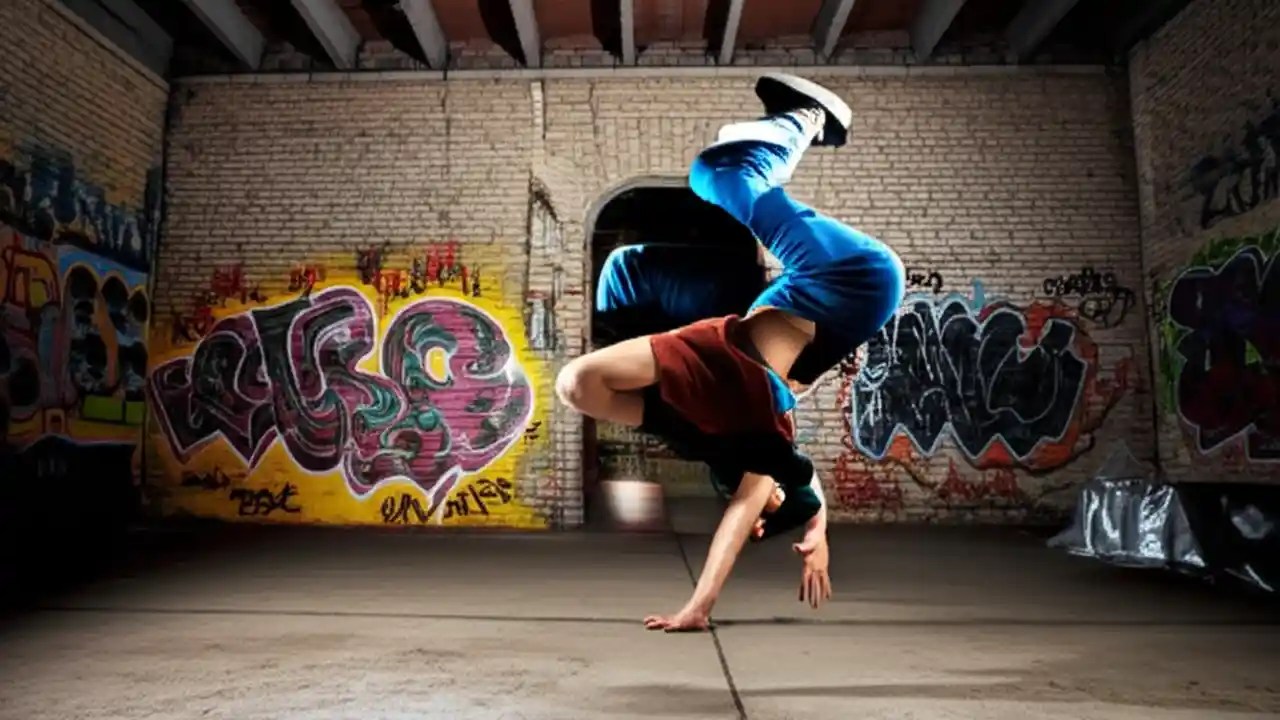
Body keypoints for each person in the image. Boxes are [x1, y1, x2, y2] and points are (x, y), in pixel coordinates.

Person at [557, 73, 906, 632]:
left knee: (623, 276)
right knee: (718, 175)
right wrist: (815, 531)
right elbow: (798, 486)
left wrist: (695, 609)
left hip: (765, 306)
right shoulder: (769, 441)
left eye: (763, 508)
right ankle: (804, 120)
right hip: (854, 285)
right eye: (770, 508)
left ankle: (793, 126)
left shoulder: (702, 426)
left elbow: (578, 386)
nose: (762, 512)